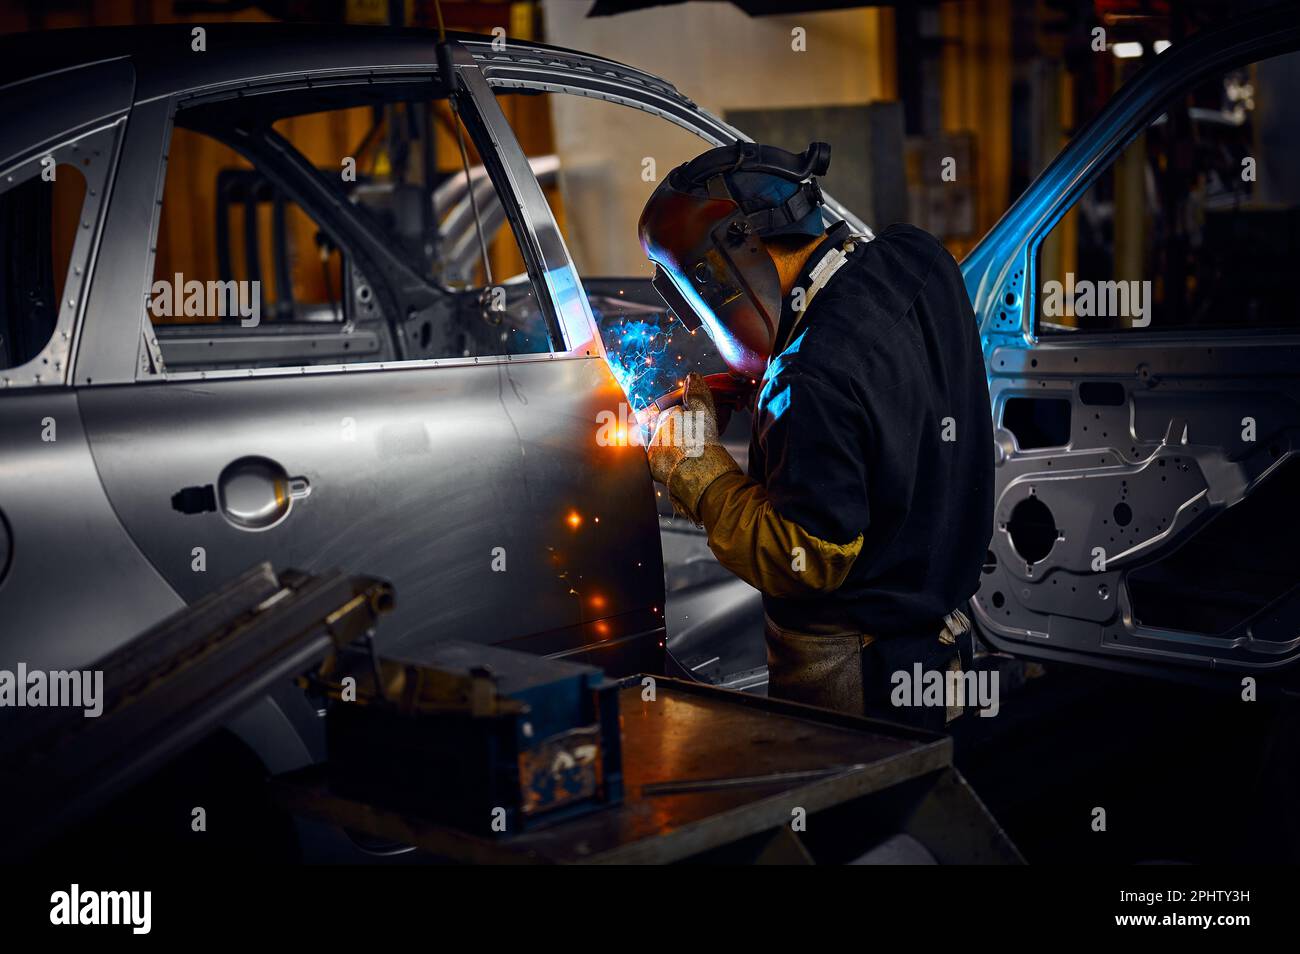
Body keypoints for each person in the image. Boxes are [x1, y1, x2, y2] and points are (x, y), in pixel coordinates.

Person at [639, 141, 993, 727]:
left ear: (732, 257)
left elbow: (807, 557)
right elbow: (885, 393)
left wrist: (696, 470)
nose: (705, 319)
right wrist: (765, 391)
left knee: (854, 815)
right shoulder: (917, 258)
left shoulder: (811, 376)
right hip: (943, 640)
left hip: (860, 679)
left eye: (701, 300)